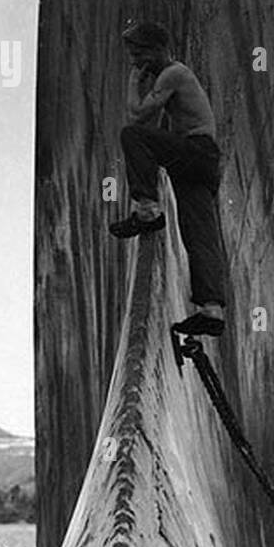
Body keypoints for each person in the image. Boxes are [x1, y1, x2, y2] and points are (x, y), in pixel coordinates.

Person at [109, 21, 228, 337]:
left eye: (139, 53)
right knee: (198, 233)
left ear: (158, 49)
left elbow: (137, 117)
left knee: (132, 136)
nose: (136, 61)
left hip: (197, 152)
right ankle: (211, 310)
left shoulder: (174, 73)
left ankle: (147, 210)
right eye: (133, 56)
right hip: (201, 161)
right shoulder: (172, 78)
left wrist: (134, 80)